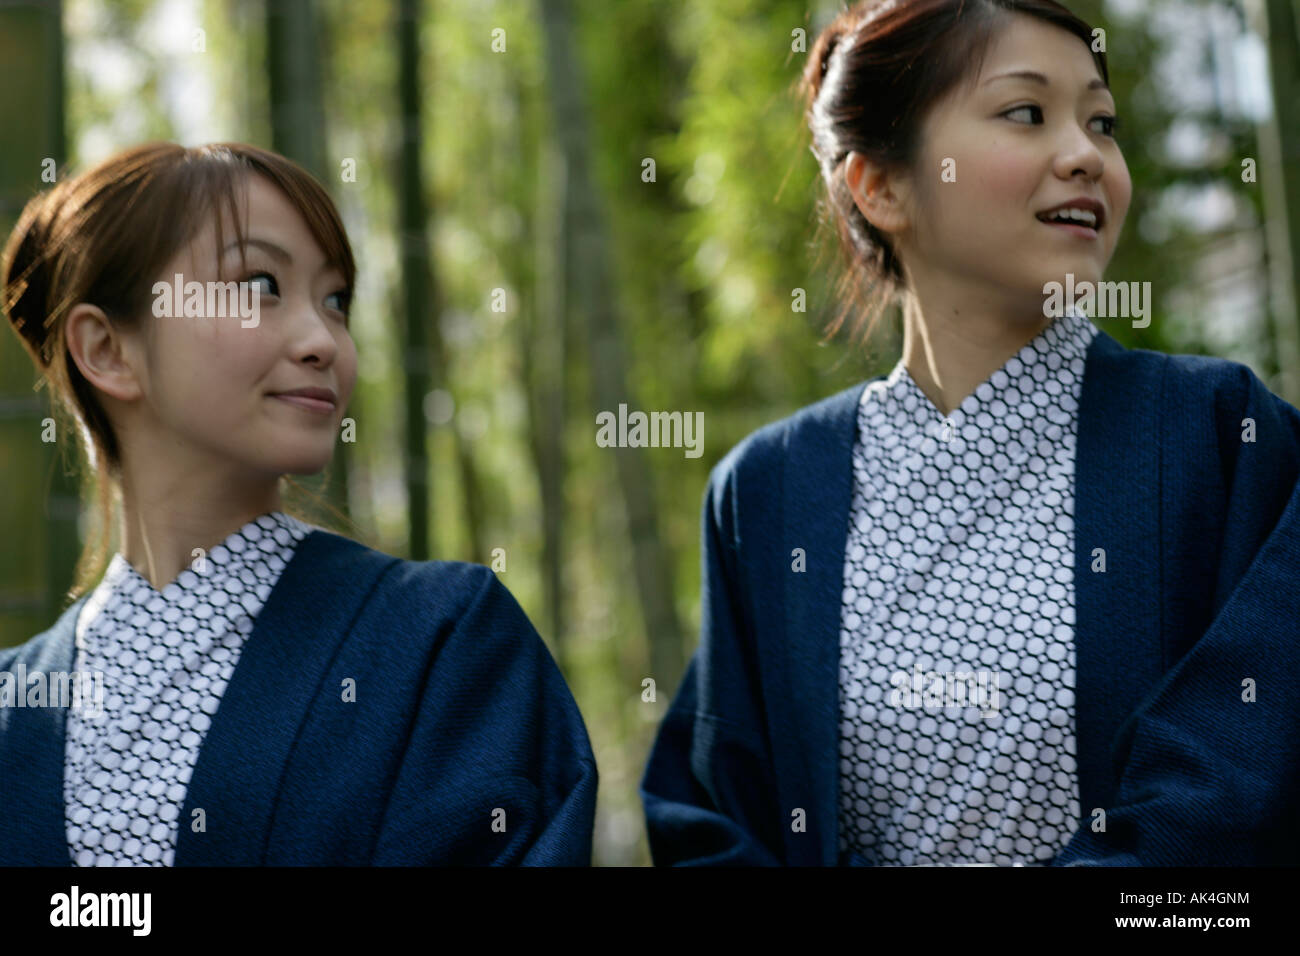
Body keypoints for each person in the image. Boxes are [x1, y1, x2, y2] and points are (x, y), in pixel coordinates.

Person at [640, 0, 1300, 865]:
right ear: (880, 185)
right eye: (1026, 113)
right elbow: (717, 812)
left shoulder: (1223, 437)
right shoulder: (769, 492)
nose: (1086, 156)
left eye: (1102, 122)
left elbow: (1242, 784)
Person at [0, 141, 597, 866]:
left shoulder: (444, 641)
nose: (324, 341)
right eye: (259, 285)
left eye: (336, 300)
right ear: (107, 350)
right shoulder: (12, 709)